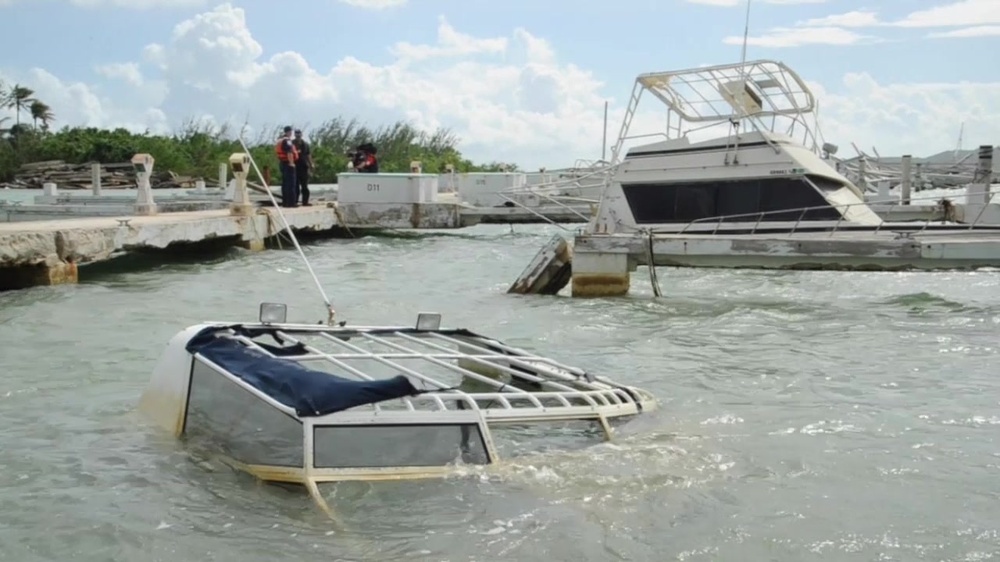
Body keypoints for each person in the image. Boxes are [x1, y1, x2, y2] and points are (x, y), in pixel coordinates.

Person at [274, 125, 299, 207]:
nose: (291, 133)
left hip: (282, 163)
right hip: (288, 163)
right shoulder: (287, 141)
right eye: (290, 131)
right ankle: (291, 203)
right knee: (291, 184)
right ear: (288, 132)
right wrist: (291, 163)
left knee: (285, 183)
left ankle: (285, 202)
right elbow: (289, 152)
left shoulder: (279, 140)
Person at [292, 129, 315, 206]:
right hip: (295, 167)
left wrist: (311, 164)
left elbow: (308, 155)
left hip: (304, 167)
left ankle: (305, 201)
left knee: (304, 185)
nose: (298, 135)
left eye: (299, 134)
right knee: (295, 186)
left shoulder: (305, 144)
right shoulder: (292, 144)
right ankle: (295, 201)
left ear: (301, 134)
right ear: (295, 135)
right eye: (296, 134)